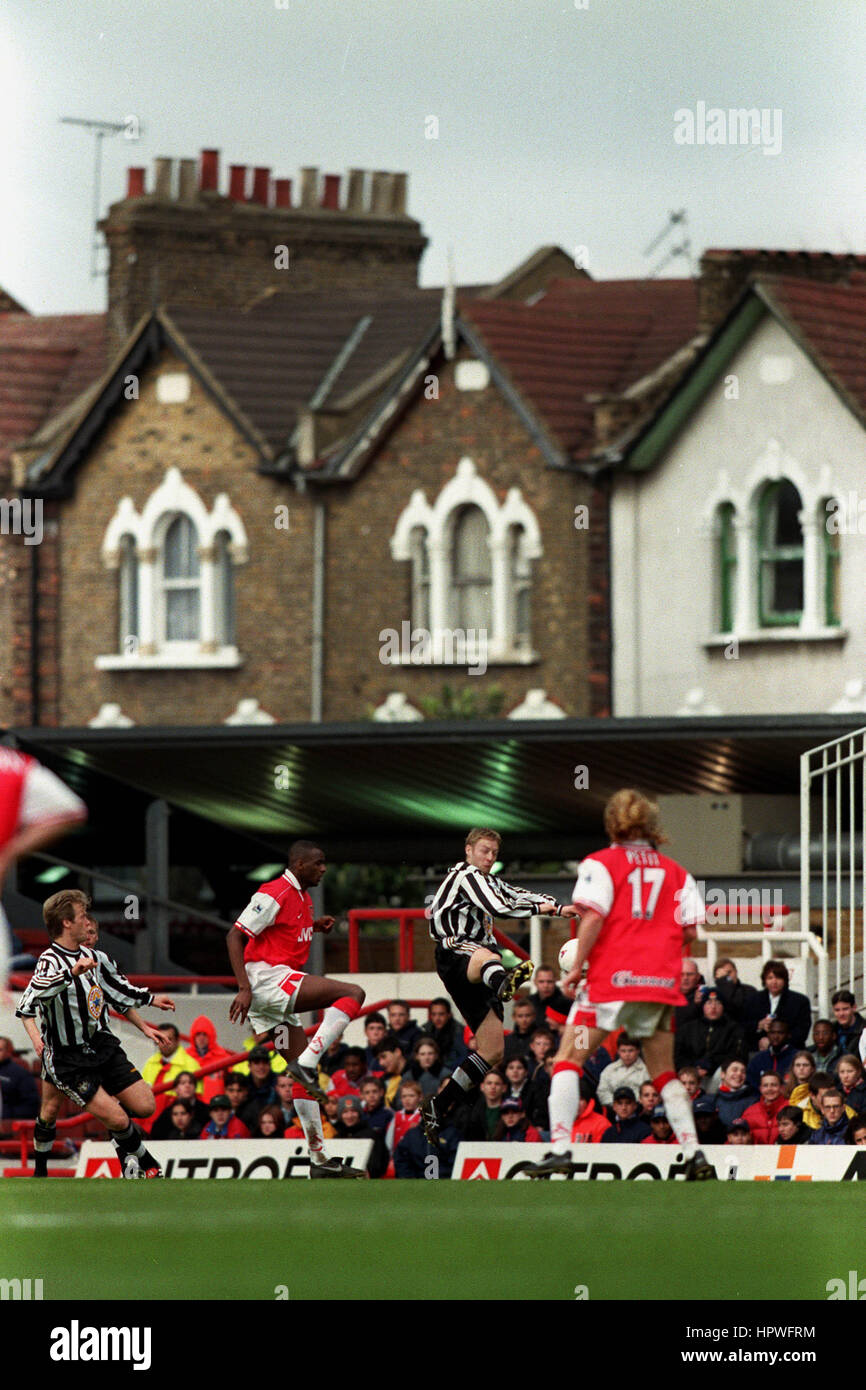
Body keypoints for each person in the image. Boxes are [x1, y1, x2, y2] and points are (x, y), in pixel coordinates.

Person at [527, 790, 714, 1179]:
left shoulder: (600, 863)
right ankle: (696, 1155)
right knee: (663, 1072)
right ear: (651, 825)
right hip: (657, 987)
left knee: (567, 1059)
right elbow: (690, 929)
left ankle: (561, 1149)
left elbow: (591, 917)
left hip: (610, 982)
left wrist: (576, 969)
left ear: (612, 823)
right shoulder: (678, 872)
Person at [421, 826, 575, 1145]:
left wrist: (558, 908)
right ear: (468, 850)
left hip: (475, 964)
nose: (489, 858)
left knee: (492, 1050)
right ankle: (502, 978)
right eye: (484, 851)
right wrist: (546, 909)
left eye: (494, 853)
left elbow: (514, 895)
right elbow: (500, 907)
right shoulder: (466, 875)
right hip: (456, 950)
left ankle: (438, 1105)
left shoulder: (488, 879)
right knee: (485, 953)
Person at [227, 840, 366, 1180]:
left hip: (275, 988)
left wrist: (314, 927)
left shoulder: (303, 897)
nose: (323, 868)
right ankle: (307, 1062)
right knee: (353, 993)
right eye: (318, 863)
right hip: (267, 981)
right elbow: (234, 936)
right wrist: (244, 988)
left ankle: (318, 1159)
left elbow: (284, 932)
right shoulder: (274, 892)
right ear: (299, 864)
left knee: (303, 1078)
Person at [15, 889, 175, 1177]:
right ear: (66, 923)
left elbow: (118, 990)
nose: (88, 921)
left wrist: (151, 999)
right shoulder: (49, 961)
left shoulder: (94, 956)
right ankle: (145, 1162)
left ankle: (122, 1136)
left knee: (145, 1105)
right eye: (82, 916)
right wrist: (71, 974)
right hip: (68, 1056)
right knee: (53, 1110)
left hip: (101, 1045)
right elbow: (32, 998)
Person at [0, 745, 88, 998]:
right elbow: (71, 809)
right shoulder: (14, 765)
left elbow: (71, 810)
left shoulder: (12, 767)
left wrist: (9, 851)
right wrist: (9, 851)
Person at [674, 986, 744, 1079]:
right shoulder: (688, 1028)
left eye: (718, 1003)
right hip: (690, 1075)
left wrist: (711, 1064)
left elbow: (736, 1055)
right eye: (709, 1003)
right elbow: (679, 1055)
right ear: (703, 1006)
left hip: (720, 1075)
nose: (713, 1007)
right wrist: (694, 1067)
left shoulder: (733, 1029)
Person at [744, 960, 812, 1051]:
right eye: (770, 978)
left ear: (785, 980)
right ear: (764, 980)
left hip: (790, 1051)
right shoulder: (753, 999)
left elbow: (802, 1032)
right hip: (758, 1051)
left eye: (778, 978)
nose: (774, 982)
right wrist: (758, 1025)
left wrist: (774, 1041)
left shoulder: (800, 1001)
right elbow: (743, 1026)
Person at [140, 1023, 198, 1123]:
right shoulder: (150, 1063)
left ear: (177, 1041)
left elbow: (196, 1099)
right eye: (161, 1039)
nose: (165, 1043)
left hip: (176, 1120)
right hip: (149, 1118)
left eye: (169, 1039)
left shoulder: (191, 1064)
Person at [595, 1034, 651, 1109]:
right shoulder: (609, 1070)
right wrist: (618, 1105)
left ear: (638, 1051)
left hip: (639, 1110)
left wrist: (631, 1105)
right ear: (618, 1051)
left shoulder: (646, 1071)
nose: (627, 1054)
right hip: (613, 1110)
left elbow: (648, 1094)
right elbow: (602, 1092)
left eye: (631, 1050)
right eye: (623, 1051)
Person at [185, 1015, 232, 1102]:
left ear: (211, 1036)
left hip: (217, 1107)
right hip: (192, 1107)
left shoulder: (223, 1057)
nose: (201, 1038)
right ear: (193, 1037)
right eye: (198, 1034)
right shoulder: (185, 1057)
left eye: (205, 1034)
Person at [745, 1018, 798, 1092]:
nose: (775, 1037)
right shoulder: (758, 1059)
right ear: (768, 1034)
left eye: (780, 1033)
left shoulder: (797, 1058)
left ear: (788, 1035)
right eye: (772, 1033)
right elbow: (750, 1084)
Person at [151, 1072, 209, 1138]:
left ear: (195, 1087)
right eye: (183, 1083)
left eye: (190, 1083)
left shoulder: (206, 1110)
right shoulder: (166, 1113)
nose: (187, 1086)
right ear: (175, 1089)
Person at [419, 998, 469, 1072]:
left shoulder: (459, 1032)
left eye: (441, 1014)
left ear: (449, 1015)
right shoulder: (426, 1030)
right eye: (434, 1014)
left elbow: (462, 1058)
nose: (437, 1018)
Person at [0, 1035, 39, 1121]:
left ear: (8, 1052)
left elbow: (30, 1106)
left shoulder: (21, 1074)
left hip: (8, 1122)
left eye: (0, 1050)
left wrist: (6, 1116)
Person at [741, 1072, 787, 1144]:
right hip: (756, 1154)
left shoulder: (790, 1108)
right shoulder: (749, 1112)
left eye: (774, 1085)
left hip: (784, 1154)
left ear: (781, 1088)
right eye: (765, 1085)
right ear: (760, 1089)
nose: (769, 1089)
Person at [711, 958, 758, 1023]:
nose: (728, 977)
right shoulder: (712, 994)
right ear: (716, 977)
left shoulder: (749, 991)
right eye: (723, 976)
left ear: (736, 971)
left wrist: (725, 983)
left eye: (729, 972)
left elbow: (736, 1009)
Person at [385, 1078, 424, 1153]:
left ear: (420, 1097)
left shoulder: (422, 1116)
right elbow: (389, 1140)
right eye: (404, 1096)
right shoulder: (397, 1116)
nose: (407, 1099)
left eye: (411, 1096)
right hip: (398, 1156)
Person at [714, 1058, 756, 1128]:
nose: (739, 1074)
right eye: (735, 1070)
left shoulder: (753, 1102)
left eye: (743, 1071)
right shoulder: (712, 1100)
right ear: (722, 1074)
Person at [530, 966, 571, 1033]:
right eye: (541, 982)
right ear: (535, 982)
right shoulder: (529, 1002)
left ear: (555, 981)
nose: (546, 985)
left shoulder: (566, 1003)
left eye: (549, 982)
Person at [375, 1035, 408, 1107]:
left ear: (397, 1052)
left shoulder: (416, 1074)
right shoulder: (382, 1080)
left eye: (383, 1056)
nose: (381, 1063)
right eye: (379, 1059)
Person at [831, 991, 865, 1056]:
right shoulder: (831, 1030)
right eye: (837, 1010)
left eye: (845, 1009)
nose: (841, 1014)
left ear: (854, 1008)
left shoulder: (864, 1029)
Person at [674, 957, 705, 1029]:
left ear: (698, 976)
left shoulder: (704, 996)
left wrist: (698, 1005)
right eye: (681, 974)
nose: (685, 978)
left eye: (690, 974)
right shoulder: (667, 996)